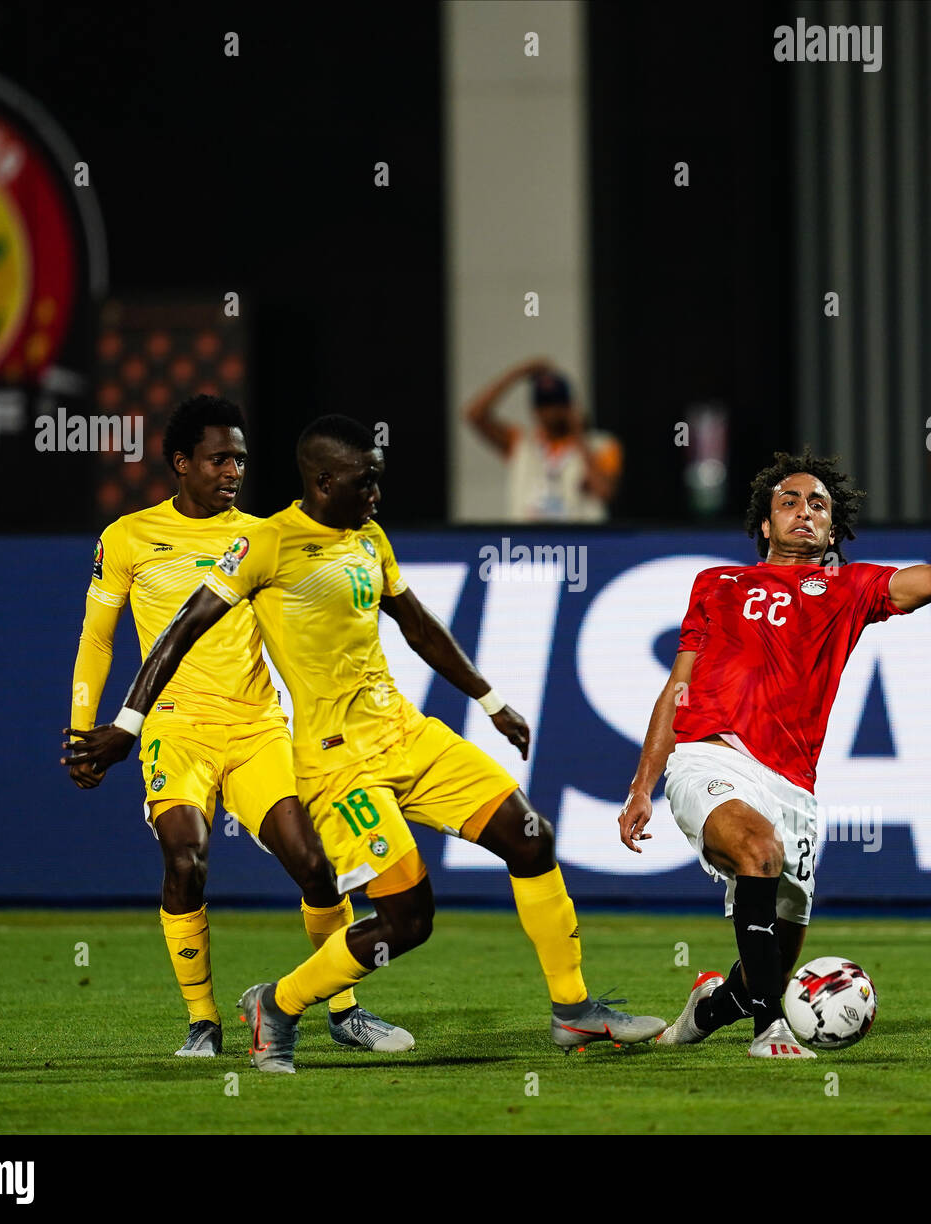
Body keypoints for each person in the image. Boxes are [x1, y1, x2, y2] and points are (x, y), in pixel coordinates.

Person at [64, 414, 664, 1073]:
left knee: (529, 835)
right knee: (409, 919)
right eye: (365, 481)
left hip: (406, 733)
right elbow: (178, 631)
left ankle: (573, 1012)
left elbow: (417, 626)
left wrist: (491, 701)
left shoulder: (369, 535)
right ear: (324, 482)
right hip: (337, 762)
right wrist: (122, 726)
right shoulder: (264, 544)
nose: (377, 492)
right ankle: (279, 1004)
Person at [618, 440, 931, 1057]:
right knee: (758, 849)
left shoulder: (850, 590)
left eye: (818, 504)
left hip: (793, 786)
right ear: (765, 522)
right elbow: (678, 686)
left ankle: (708, 1008)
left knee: (766, 962)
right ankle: (770, 1031)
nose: (804, 510)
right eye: (789, 500)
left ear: (832, 526)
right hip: (709, 756)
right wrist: (642, 785)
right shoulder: (718, 583)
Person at [64, 395, 411, 1057]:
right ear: (181, 463)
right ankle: (204, 1023)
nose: (232, 471)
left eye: (241, 460)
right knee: (185, 860)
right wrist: (86, 730)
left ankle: (344, 1011)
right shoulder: (129, 538)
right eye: (219, 458)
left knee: (315, 867)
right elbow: (98, 641)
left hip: (257, 731)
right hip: (176, 730)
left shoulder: (264, 538)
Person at [464, 357, 622, 521]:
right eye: (544, 404)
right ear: (535, 409)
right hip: (527, 543)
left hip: (578, 544)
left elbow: (603, 491)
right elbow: (474, 415)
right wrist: (519, 373)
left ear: (569, 406)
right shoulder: (521, 443)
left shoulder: (601, 444)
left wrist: (579, 436)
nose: (551, 411)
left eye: (557, 403)